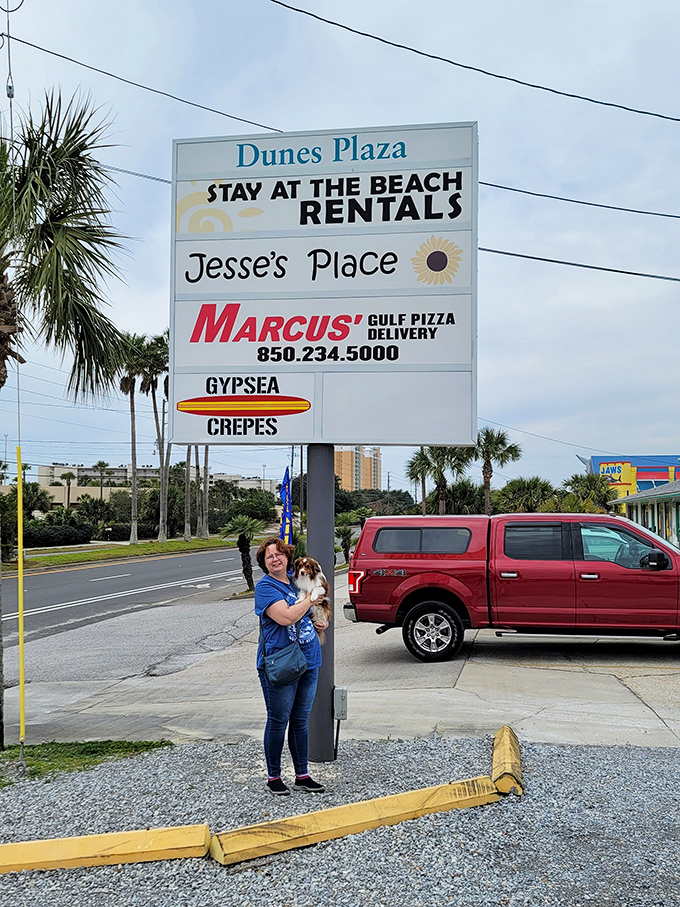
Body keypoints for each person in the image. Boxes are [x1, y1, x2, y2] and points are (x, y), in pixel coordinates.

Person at [254, 536, 329, 796]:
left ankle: (302, 775)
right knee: (278, 720)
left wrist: (322, 622)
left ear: (287, 557)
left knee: (300, 721)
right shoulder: (266, 587)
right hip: (280, 662)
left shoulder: (296, 582)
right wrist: (310, 600)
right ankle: (274, 776)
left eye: (279, 554)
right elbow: (286, 617)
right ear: (264, 563)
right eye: (269, 556)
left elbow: (314, 610)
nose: (275, 558)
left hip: (308, 659)